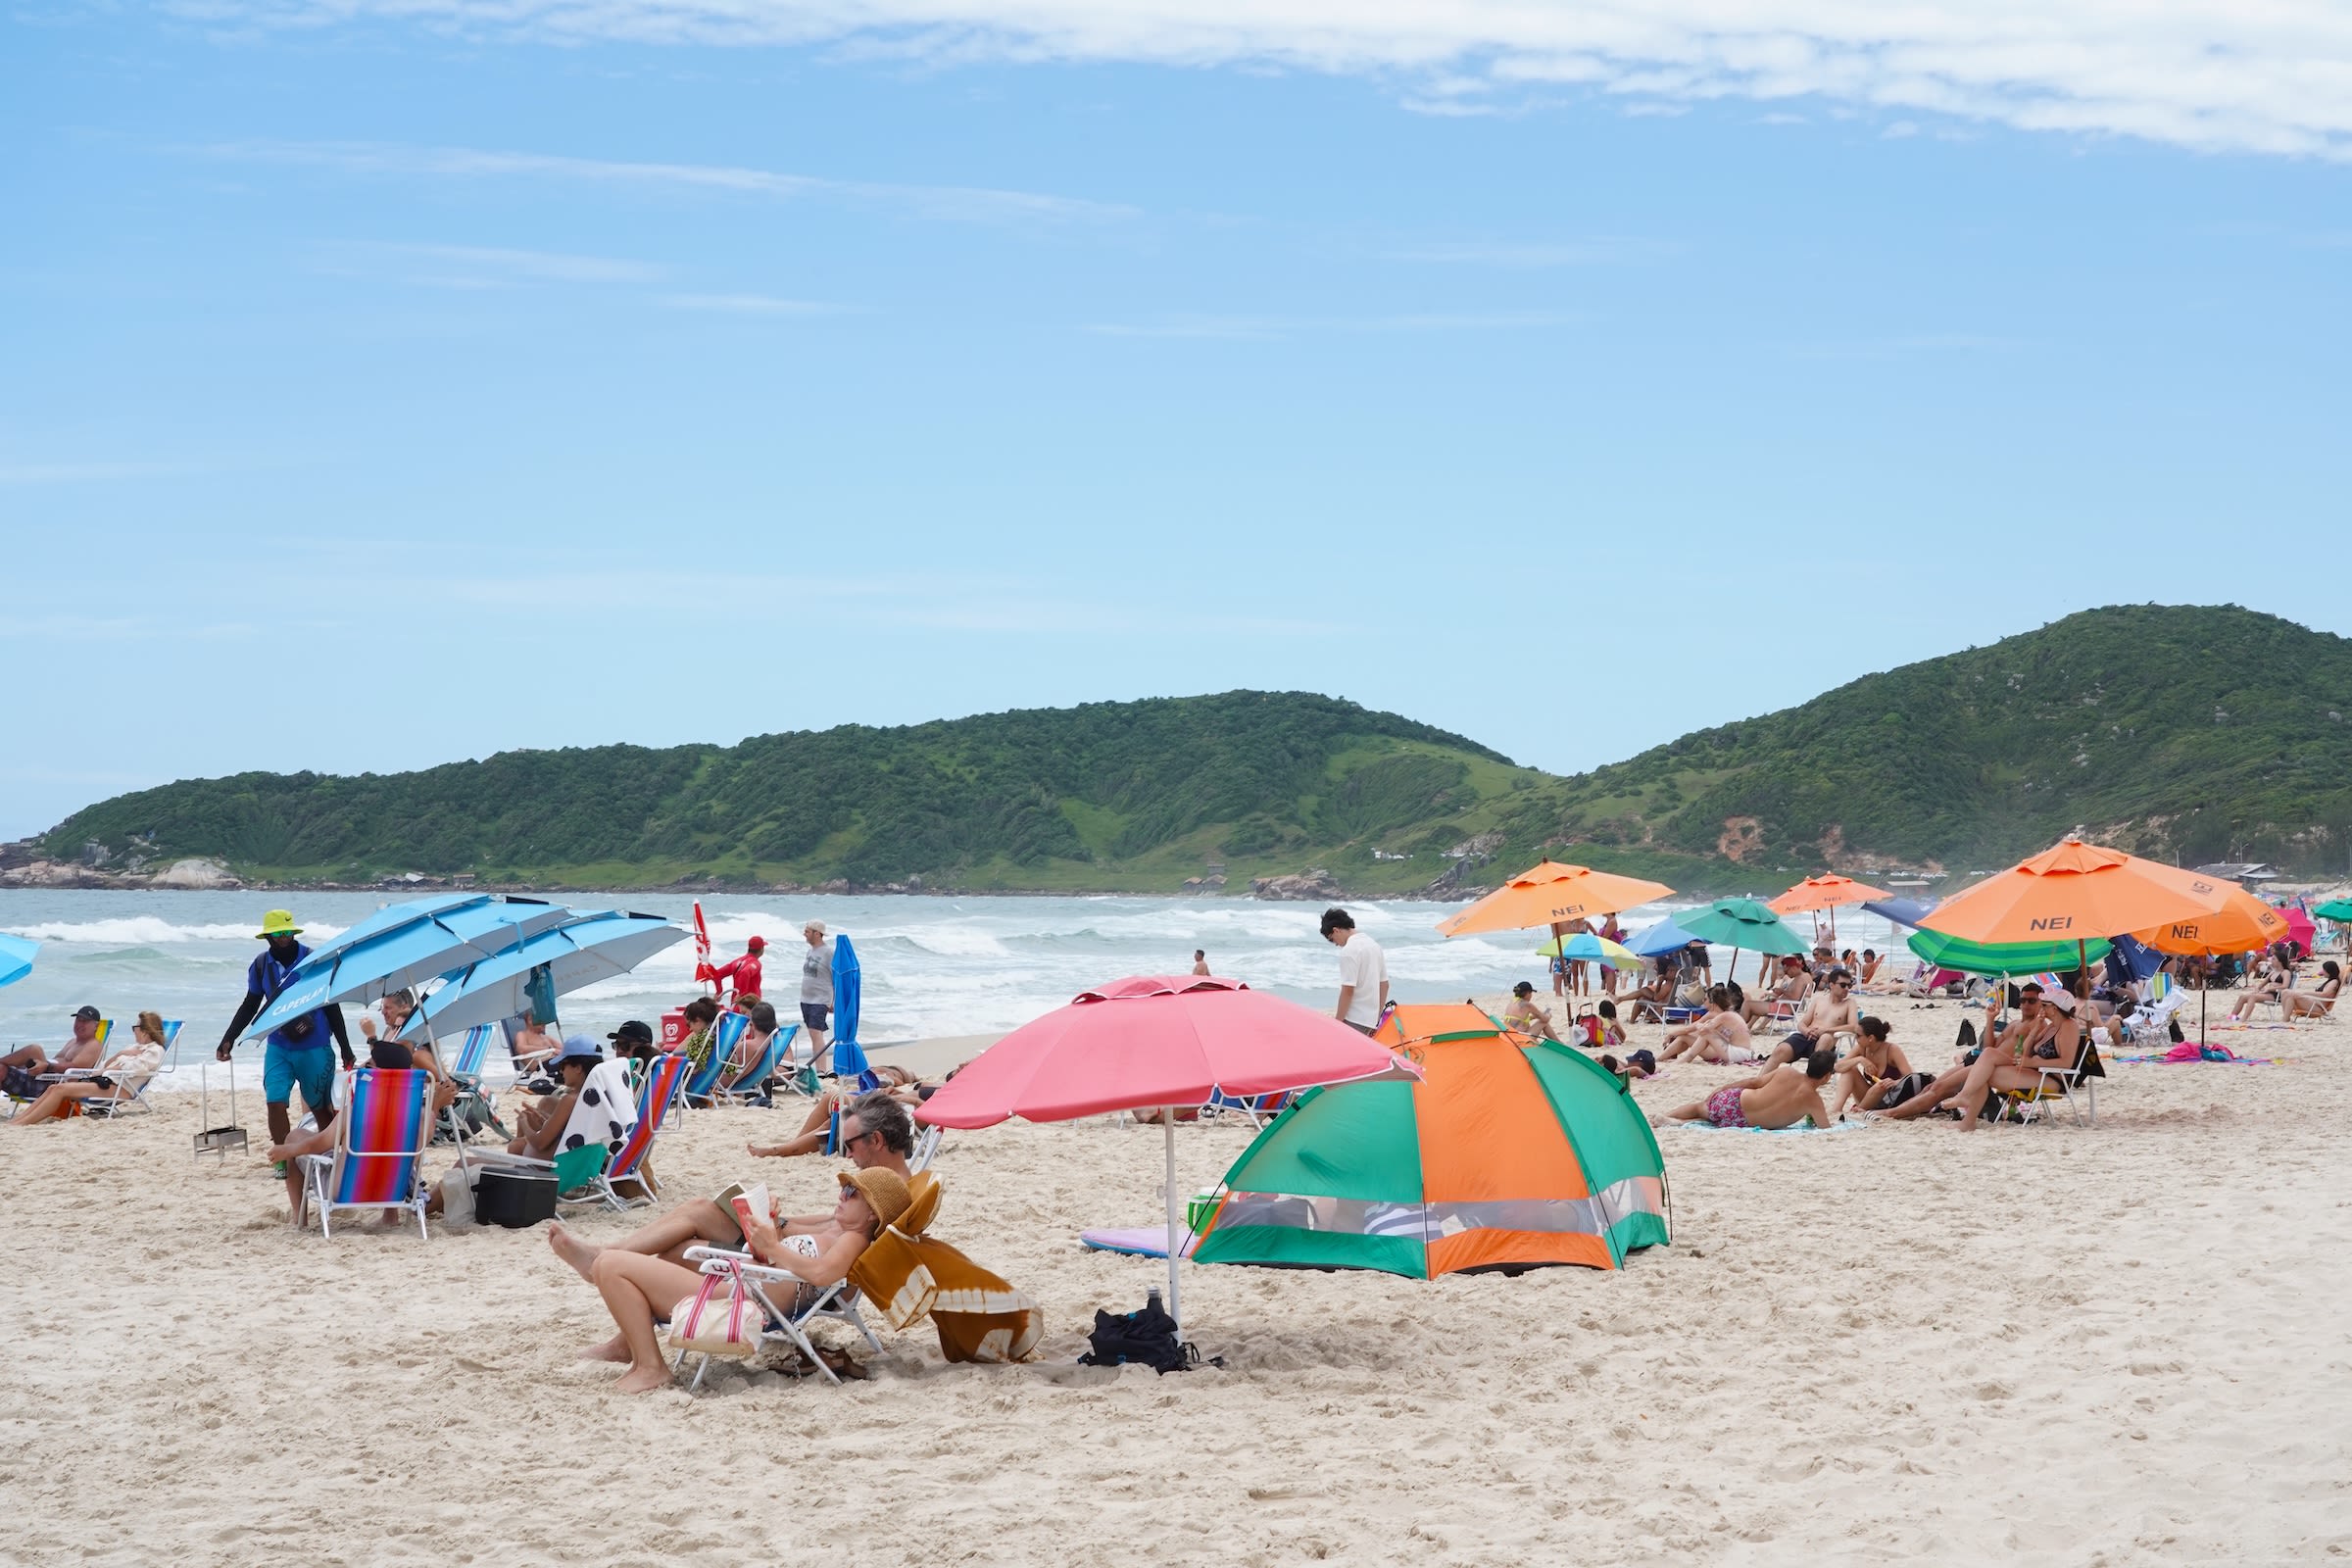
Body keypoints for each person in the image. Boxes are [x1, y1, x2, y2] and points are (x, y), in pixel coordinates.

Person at [579, 1166, 910, 1393]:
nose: (842, 1194)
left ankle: (651, 1366)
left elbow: (822, 1273)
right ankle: (633, 1348)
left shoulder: (854, 1240)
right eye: (843, 1187)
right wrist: (768, 1229)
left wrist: (772, 1246)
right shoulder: (839, 1230)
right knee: (675, 1253)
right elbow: (793, 1269)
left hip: (742, 1299)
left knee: (611, 1266)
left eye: (852, 1192)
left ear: (872, 1214)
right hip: (748, 1286)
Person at [551, 1093, 918, 1285]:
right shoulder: (886, 1183)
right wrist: (781, 1219)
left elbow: (837, 1247)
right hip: (785, 1245)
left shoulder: (891, 1195)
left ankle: (603, 1260)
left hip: (787, 1265)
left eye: (850, 1144)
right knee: (696, 1212)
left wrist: (777, 1230)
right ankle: (604, 1258)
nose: (846, 1153)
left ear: (878, 1140)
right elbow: (830, 1224)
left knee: (687, 1243)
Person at [266, 1037, 458, 1216]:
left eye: (368, 1065)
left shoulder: (356, 1112)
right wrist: (436, 1104)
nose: (364, 1067)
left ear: (375, 1073)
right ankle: (390, 1218)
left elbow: (317, 1144)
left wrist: (286, 1150)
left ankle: (299, 1219)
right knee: (399, 1155)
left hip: (346, 1189)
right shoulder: (420, 1116)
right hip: (392, 1190)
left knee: (295, 1136)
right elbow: (421, 1143)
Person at [215, 909, 356, 1153]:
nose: (284, 937)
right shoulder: (260, 965)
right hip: (278, 1047)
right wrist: (228, 1038)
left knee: (320, 1106)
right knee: (274, 1101)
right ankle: (283, 1158)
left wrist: (345, 1046)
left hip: (315, 1045)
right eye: (278, 933)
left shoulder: (314, 960)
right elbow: (251, 1003)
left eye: (288, 932)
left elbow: (331, 1005)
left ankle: (330, 1153)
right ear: (267, 936)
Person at [6, 1009, 169, 1125]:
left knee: (60, 1090)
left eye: (136, 1027)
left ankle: (22, 1123)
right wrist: (120, 1054)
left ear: (146, 1031)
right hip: (106, 1082)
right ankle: (19, 1120)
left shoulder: (155, 1050)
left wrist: (114, 1066)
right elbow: (106, 1065)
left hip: (120, 1088)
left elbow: (135, 1069)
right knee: (54, 1089)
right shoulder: (133, 1048)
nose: (134, 1031)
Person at [748, 1078, 929, 1160]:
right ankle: (791, 1146)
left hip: (906, 1110)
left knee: (835, 1111)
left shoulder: (935, 1095)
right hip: (899, 1104)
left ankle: (784, 1149)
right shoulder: (936, 1088)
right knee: (833, 1105)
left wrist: (897, 1098)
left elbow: (920, 1106)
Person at [1657, 1052, 1836, 1130]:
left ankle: (1668, 1116)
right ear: (1826, 1076)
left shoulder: (1787, 1072)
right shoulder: (1814, 1101)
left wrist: (1723, 1087)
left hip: (1734, 1101)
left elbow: (1754, 1081)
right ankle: (1680, 1123)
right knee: (1711, 1121)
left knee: (1700, 1108)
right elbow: (1825, 1128)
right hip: (1742, 1122)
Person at [506, 1036, 603, 1159]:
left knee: (515, 1145)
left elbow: (539, 1144)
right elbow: (573, 1129)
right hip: (583, 1160)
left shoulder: (571, 1100)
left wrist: (524, 1123)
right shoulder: (598, 1095)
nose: (561, 1072)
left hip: (556, 1168)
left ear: (578, 1068)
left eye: (562, 1066)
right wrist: (545, 1120)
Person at [1761, 967, 1861, 1069]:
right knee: (1780, 1050)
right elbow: (1802, 1023)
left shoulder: (1849, 1003)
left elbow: (1854, 1027)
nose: (1847, 989)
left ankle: (1809, 1077)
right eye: (1843, 985)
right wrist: (1807, 1031)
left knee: (1825, 1038)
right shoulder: (1819, 1000)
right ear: (1831, 985)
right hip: (1806, 1036)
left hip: (1826, 1041)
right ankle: (1759, 1082)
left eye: (1849, 985)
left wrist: (1826, 1030)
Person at [0, 1004, 110, 1097]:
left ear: (96, 1026)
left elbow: (74, 1068)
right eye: (78, 1020)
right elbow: (56, 1060)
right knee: (1, 1069)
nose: (79, 1024)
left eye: (84, 1021)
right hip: (39, 1079)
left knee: (35, 1050)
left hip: (51, 1086)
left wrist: (46, 1066)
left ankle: (2, 1060)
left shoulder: (93, 1045)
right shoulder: (72, 1042)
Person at [1824, 1014, 1911, 1120]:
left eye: (1858, 1035)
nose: (1856, 1038)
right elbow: (1837, 1067)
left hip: (1891, 1098)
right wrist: (1860, 1059)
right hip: (1870, 1097)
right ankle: (1836, 1109)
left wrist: (1894, 1082)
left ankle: (1860, 1109)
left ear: (1870, 1038)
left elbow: (1910, 1077)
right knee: (1850, 1070)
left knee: (1881, 1085)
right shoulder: (1862, 1048)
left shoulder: (1892, 1050)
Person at [1320, 907, 1388, 1034]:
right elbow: (1384, 985)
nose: (1335, 944)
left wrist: (1338, 1023)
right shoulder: (1374, 945)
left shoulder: (1349, 951)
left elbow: (1348, 990)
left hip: (1354, 1019)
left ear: (1336, 930)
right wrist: (1376, 1017)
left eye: (1332, 939)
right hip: (1370, 1021)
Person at [1657, 986, 1756, 1064]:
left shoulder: (1717, 1015)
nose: (1702, 1002)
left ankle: (1665, 1058)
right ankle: (1671, 1056)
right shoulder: (1729, 1014)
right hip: (1742, 1052)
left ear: (1712, 1002)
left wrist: (1671, 1034)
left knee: (1694, 1035)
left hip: (1736, 1053)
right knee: (1690, 1036)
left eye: (1705, 999)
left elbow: (1694, 1029)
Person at [717, 1002, 783, 1098]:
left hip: (725, 1082)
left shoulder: (747, 1046)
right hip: (750, 1081)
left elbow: (725, 1067)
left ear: (753, 1023)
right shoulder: (774, 1043)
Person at [799, 921, 836, 1069]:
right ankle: (818, 1068)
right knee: (813, 1033)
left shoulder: (828, 952)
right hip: (806, 999)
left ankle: (821, 1070)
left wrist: (834, 1000)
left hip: (820, 999)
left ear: (817, 933)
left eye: (807, 931)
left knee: (816, 1033)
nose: (804, 934)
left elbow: (836, 978)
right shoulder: (810, 951)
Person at [1740, 956, 1812, 1026]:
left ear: (1792, 968)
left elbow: (1795, 997)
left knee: (1748, 1004)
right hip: (1782, 1006)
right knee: (1754, 1006)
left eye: (1786, 972)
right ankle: (1747, 1027)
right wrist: (1780, 992)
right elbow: (1794, 995)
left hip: (1784, 1009)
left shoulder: (1801, 978)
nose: (1786, 974)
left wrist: (1782, 991)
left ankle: (1739, 1028)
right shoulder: (1802, 977)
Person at [705, 934, 766, 1011]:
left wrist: (719, 991)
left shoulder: (737, 962)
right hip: (749, 1009)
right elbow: (745, 973)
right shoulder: (756, 963)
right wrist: (741, 995)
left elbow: (717, 974)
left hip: (735, 1006)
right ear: (761, 949)